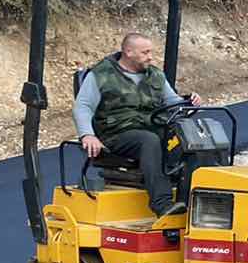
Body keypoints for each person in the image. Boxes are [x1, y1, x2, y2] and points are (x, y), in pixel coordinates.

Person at [73, 32, 201, 218]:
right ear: (129, 52)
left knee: (193, 137)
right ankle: (161, 204)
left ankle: (190, 200)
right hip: (116, 134)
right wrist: (87, 135)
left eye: (150, 52)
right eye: (145, 52)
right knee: (147, 140)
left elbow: (172, 102)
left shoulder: (155, 75)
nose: (150, 57)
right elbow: (82, 106)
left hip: (151, 128)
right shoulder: (101, 75)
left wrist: (188, 102)